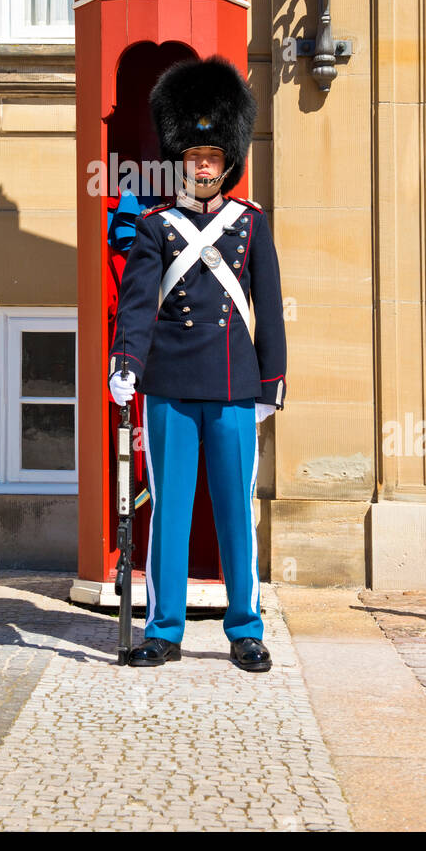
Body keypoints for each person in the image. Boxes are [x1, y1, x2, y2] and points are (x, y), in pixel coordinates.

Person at [108, 55, 287, 671]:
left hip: (237, 385)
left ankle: (245, 628)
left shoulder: (251, 225)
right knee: (171, 510)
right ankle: (165, 628)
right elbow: (136, 304)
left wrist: (273, 381)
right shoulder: (158, 226)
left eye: (212, 157)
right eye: (193, 158)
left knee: (237, 509)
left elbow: (268, 307)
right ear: (180, 161)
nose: (203, 166)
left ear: (227, 162)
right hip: (171, 385)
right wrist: (125, 361)